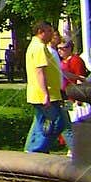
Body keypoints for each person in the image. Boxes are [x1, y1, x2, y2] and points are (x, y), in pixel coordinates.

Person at [24, 21, 68, 153]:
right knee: (57, 122)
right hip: (44, 94)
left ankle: (32, 150)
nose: (52, 34)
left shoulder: (37, 46)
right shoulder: (39, 48)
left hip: (44, 94)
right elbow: (39, 71)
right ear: (40, 31)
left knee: (40, 123)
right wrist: (45, 94)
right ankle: (36, 150)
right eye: (49, 31)